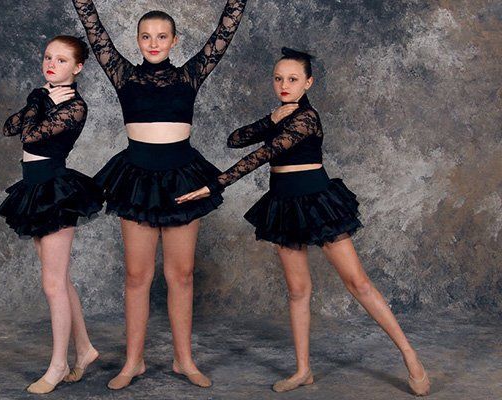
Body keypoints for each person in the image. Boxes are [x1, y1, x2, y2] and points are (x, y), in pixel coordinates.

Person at [176, 47, 431, 396]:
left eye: (293, 79)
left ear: (308, 82)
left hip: (318, 202)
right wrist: (270, 119)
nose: (284, 85)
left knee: (358, 283)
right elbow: (234, 139)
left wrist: (214, 185)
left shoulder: (307, 118)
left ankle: (410, 355)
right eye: (279, 79)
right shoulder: (281, 114)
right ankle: (303, 370)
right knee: (298, 290)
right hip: (284, 205)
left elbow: (263, 154)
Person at [72, 0, 247, 390]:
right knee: (137, 276)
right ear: (136, 40)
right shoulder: (122, 75)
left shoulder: (190, 75)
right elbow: (93, 28)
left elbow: (225, 30)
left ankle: (184, 360)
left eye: (162, 37)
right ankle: (133, 361)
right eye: (146, 37)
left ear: (174, 41)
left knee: (180, 275)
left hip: (183, 177)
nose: (154, 43)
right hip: (136, 179)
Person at [0, 35, 103, 394]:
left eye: (61, 60)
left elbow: (29, 136)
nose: (51, 64)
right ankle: (84, 349)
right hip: (33, 188)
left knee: (53, 283)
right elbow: (8, 127)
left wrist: (40, 100)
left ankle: (59, 366)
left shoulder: (74, 106)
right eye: (48, 57)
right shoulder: (45, 97)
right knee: (60, 279)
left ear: (78, 67)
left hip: (56, 191)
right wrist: (39, 98)